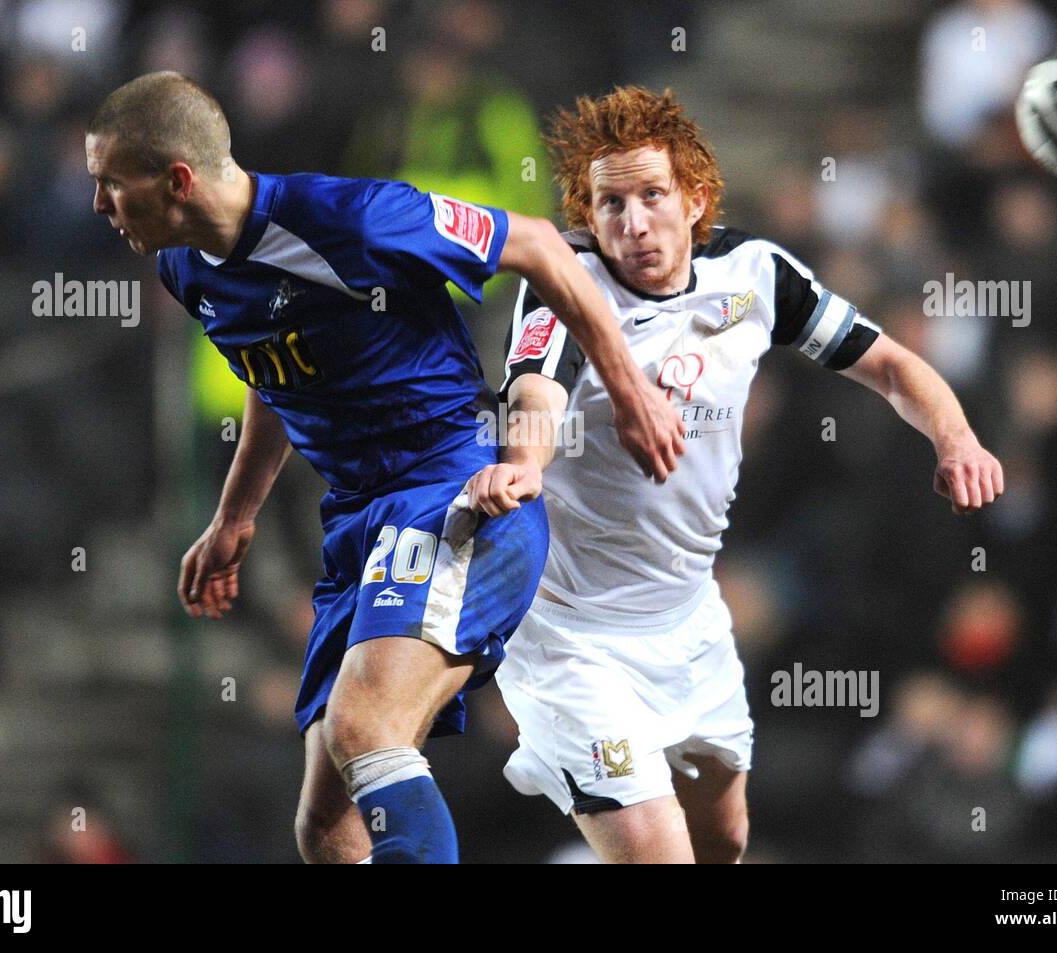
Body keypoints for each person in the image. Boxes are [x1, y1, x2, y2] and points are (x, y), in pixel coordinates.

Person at [84, 72, 684, 864]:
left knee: (364, 727)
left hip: (451, 490)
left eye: (110, 184)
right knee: (327, 828)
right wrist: (235, 516)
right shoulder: (187, 266)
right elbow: (275, 374)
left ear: (177, 180)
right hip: (358, 523)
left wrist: (629, 389)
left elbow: (538, 244)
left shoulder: (349, 218)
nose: (99, 206)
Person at [467, 86, 1005, 863]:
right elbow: (535, 389)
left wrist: (956, 438)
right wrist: (522, 466)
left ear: (696, 198)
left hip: (689, 618)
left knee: (724, 839)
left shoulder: (754, 272)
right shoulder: (566, 277)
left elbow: (888, 363)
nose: (633, 221)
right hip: (572, 634)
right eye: (609, 203)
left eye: (652, 195)